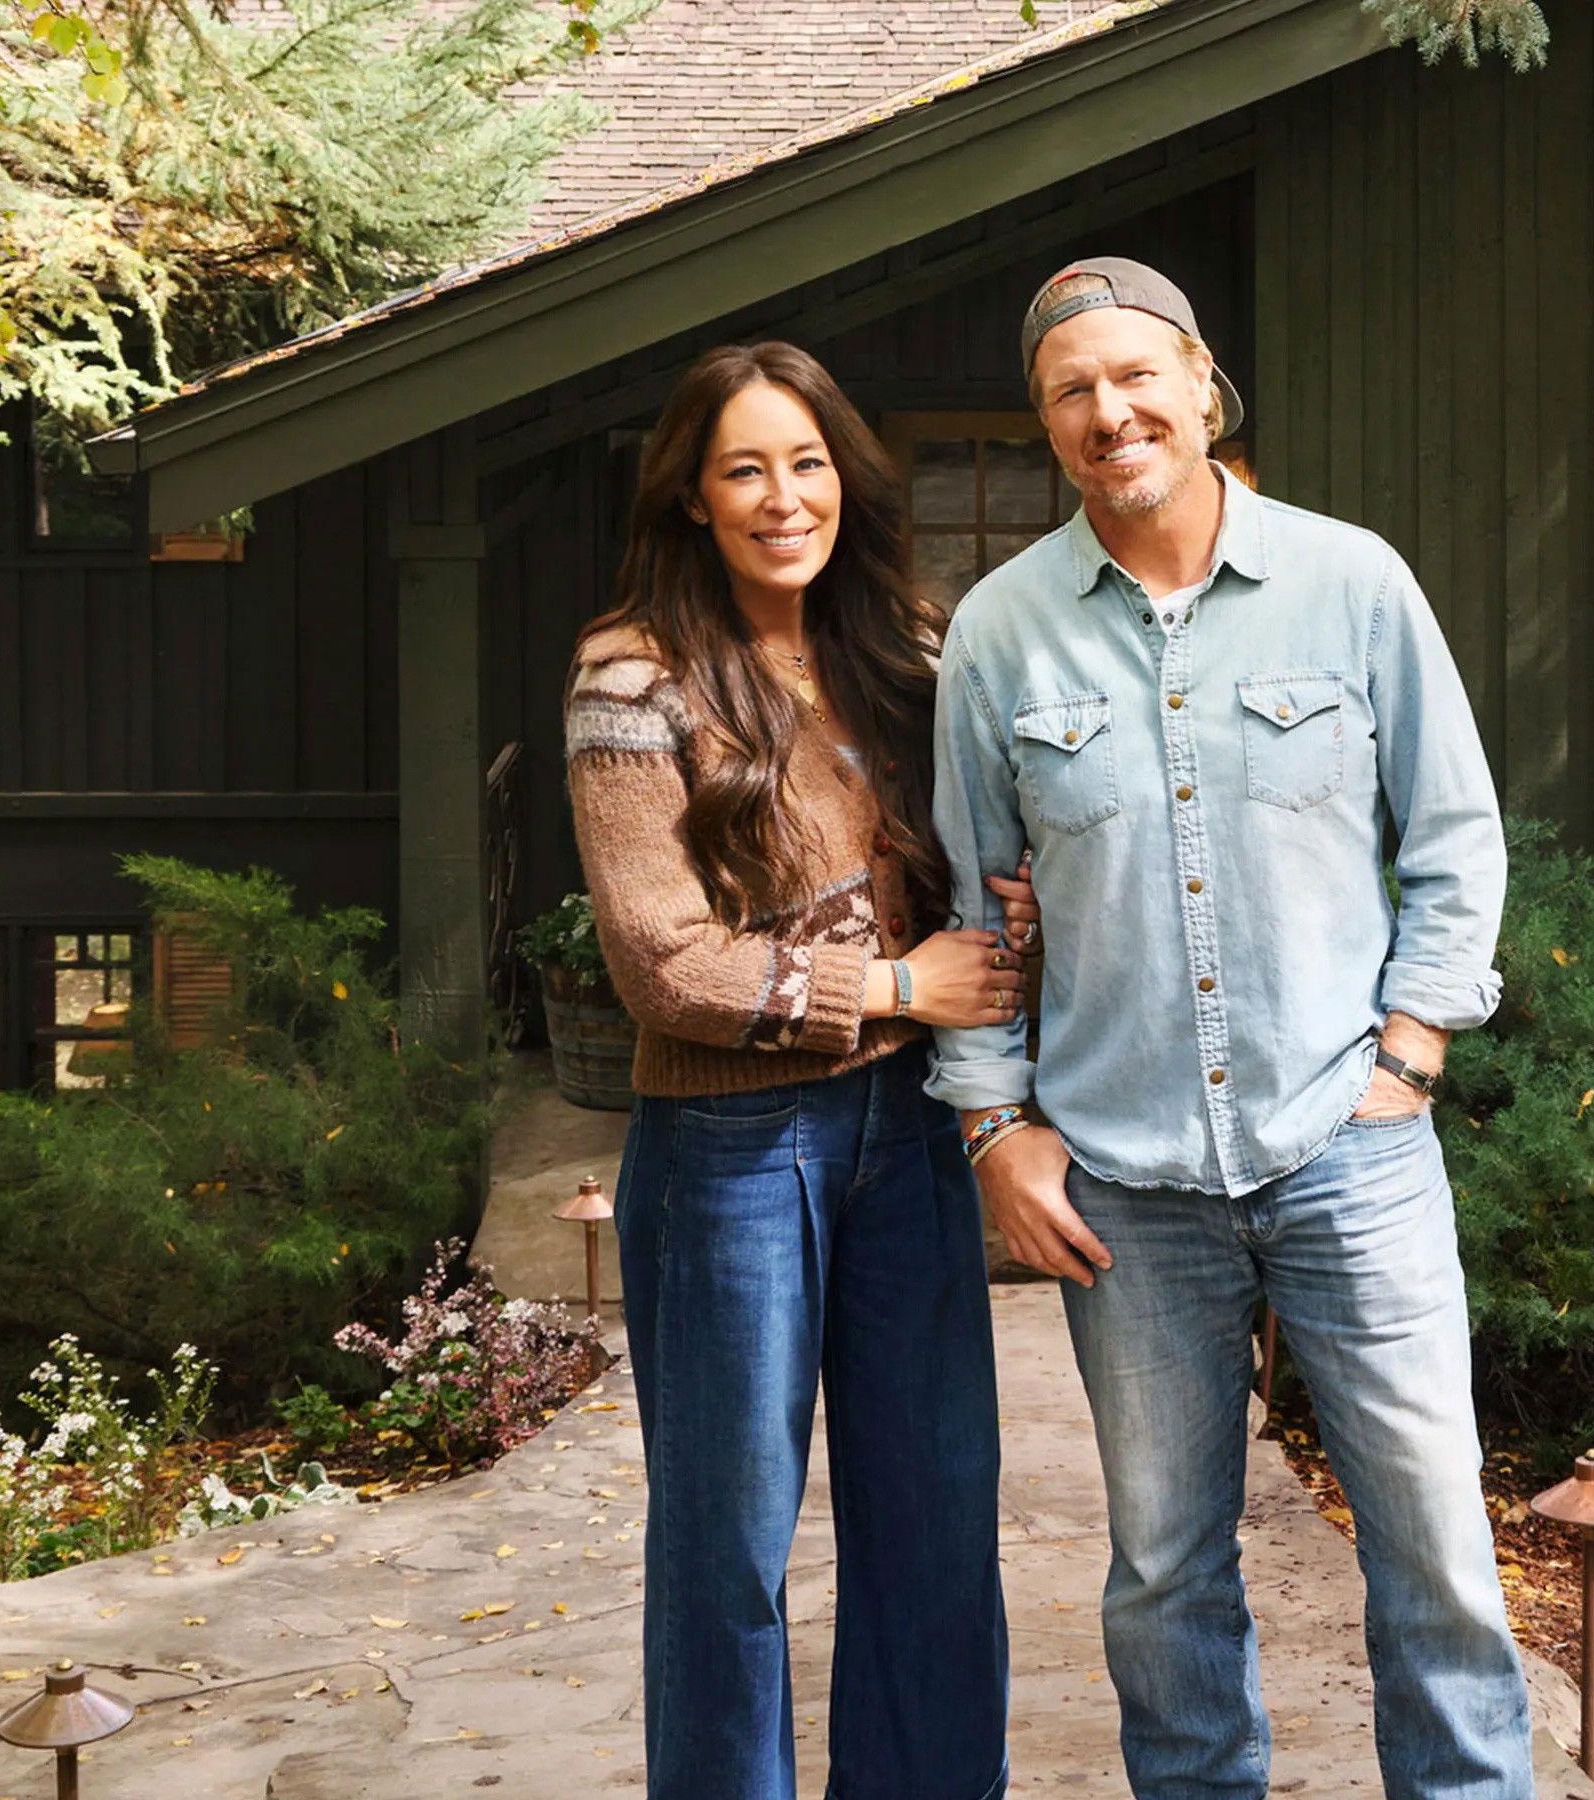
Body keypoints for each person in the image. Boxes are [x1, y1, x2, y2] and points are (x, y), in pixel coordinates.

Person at [926, 257, 1534, 1800]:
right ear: (1050, 425)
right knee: (1162, 1580)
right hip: (1127, 1183)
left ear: (1204, 385)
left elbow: (1456, 837)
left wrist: (1412, 1051)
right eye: (1071, 390)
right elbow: (977, 913)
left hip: (1347, 1145)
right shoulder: (1001, 634)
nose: (1108, 412)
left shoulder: (1354, 582)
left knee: (1438, 1554)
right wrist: (996, 1128)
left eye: (1136, 377)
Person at [566, 339, 1034, 1800]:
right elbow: (661, 964)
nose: (784, 496)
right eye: (745, 469)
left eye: (809, 461)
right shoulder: (630, 677)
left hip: (911, 1134)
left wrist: (1012, 906)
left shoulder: (909, 643)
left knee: (937, 1522)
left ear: (848, 476)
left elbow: (978, 855)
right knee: (727, 1547)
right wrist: (897, 984)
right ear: (694, 500)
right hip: (730, 1156)